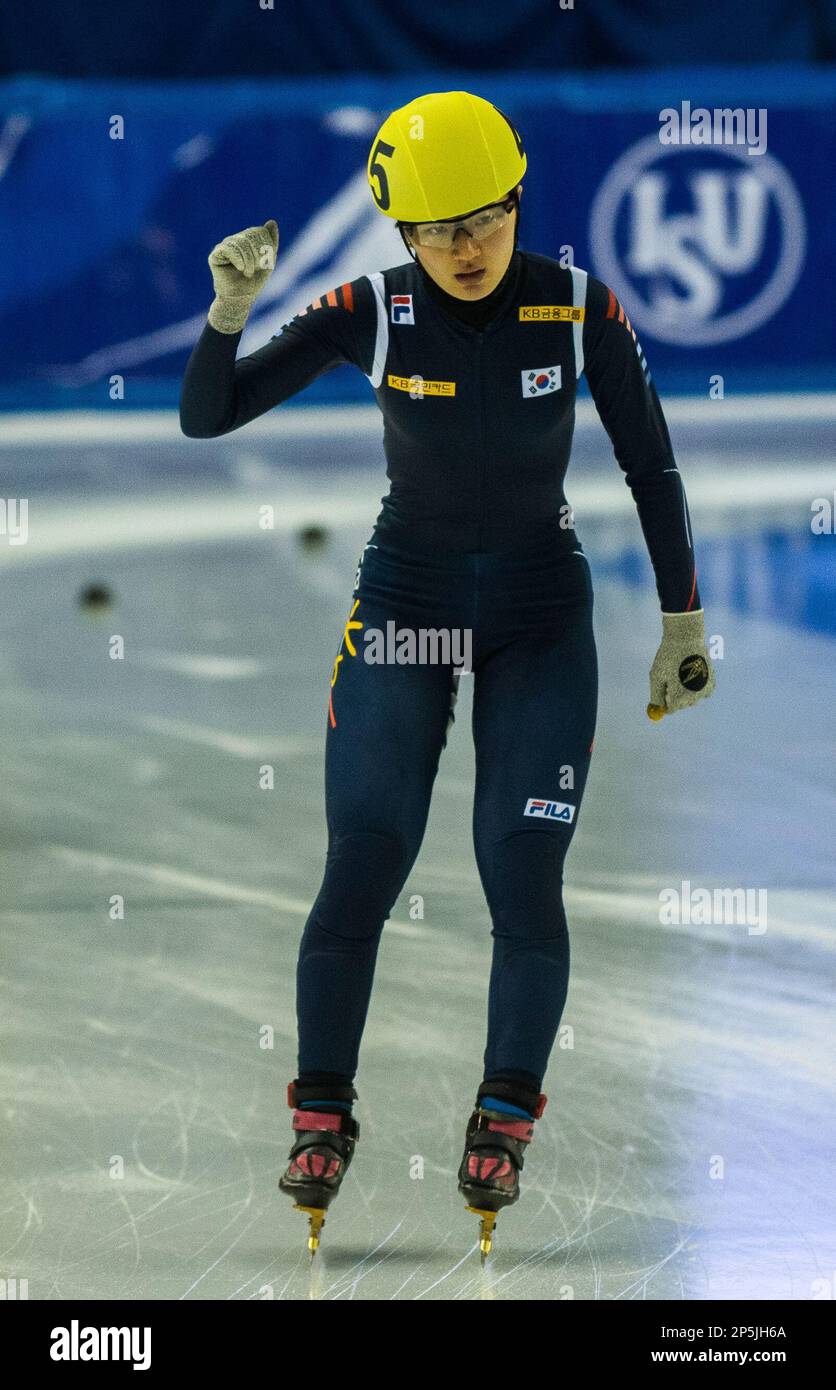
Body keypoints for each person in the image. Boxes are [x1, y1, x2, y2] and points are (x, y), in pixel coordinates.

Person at [180, 90, 716, 1257]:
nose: (465, 247)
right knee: (364, 860)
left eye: (484, 220)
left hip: (535, 623)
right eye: (436, 229)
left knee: (522, 875)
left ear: (518, 202)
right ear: (402, 232)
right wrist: (226, 314)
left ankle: (503, 1116)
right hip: (408, 616)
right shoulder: (368, 308)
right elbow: (208, 417)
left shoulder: (576, 307)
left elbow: (652, 464)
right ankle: (321, 1111)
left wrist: (682, 619)